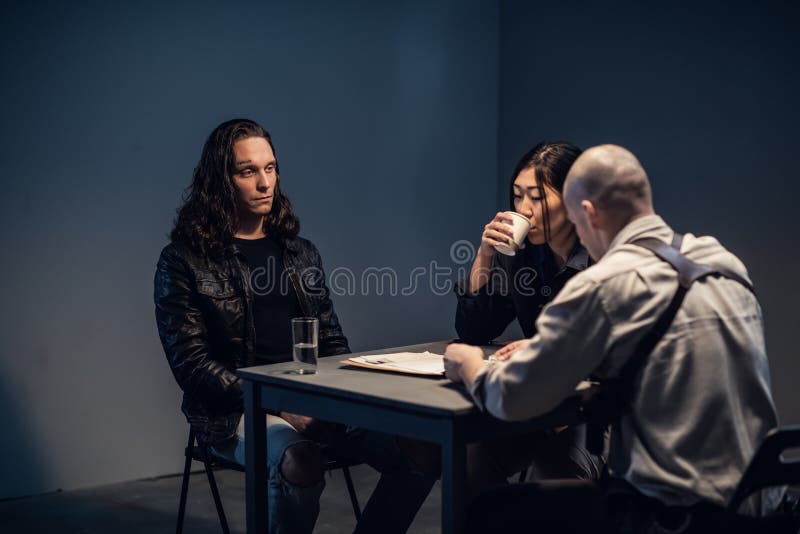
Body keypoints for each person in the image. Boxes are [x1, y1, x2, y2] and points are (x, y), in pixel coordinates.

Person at [444, 144, 782, 532]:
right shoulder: (724, 263)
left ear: (585, 214)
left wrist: (470, 366)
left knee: (490, 511)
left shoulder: (603, 283)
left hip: (675, 514)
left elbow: (511, 396)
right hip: (764, 504)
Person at [154, 119, 434, 534]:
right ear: (221, 180)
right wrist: (279, 403)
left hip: (313, 400)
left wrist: (349, 397)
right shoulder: (183, 260)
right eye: (248, 171)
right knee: (301, 459)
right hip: (234, 411)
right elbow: (192, 366)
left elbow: (333, 340)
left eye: (270, 168)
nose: (264, 182)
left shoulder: (300, 252)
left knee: (422, 450)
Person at [455, 142, 603, 497]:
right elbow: (472, 330)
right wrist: (484, 256)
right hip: (541, 404)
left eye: (535, 198)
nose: (522, 210)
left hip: (601, 408)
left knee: (555, 469)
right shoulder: (523, 258)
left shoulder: (606, 258)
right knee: (467, 462)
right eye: (517, 196)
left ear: (573, 200)